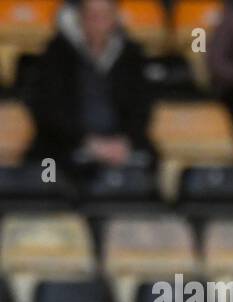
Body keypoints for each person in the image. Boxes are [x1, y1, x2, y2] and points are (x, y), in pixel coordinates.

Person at [26, 0, 153, 176]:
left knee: (148, 165)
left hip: (120, 145)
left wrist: (124, 141)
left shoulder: (131, 54)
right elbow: (47, 109)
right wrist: (88, 142)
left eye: (104, 16)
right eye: (93, 16)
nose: (99, 23)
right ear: (80, 17)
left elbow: (142, 107)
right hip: (64, 145)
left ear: (115, 18)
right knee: (46, 169)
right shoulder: (56, 53)